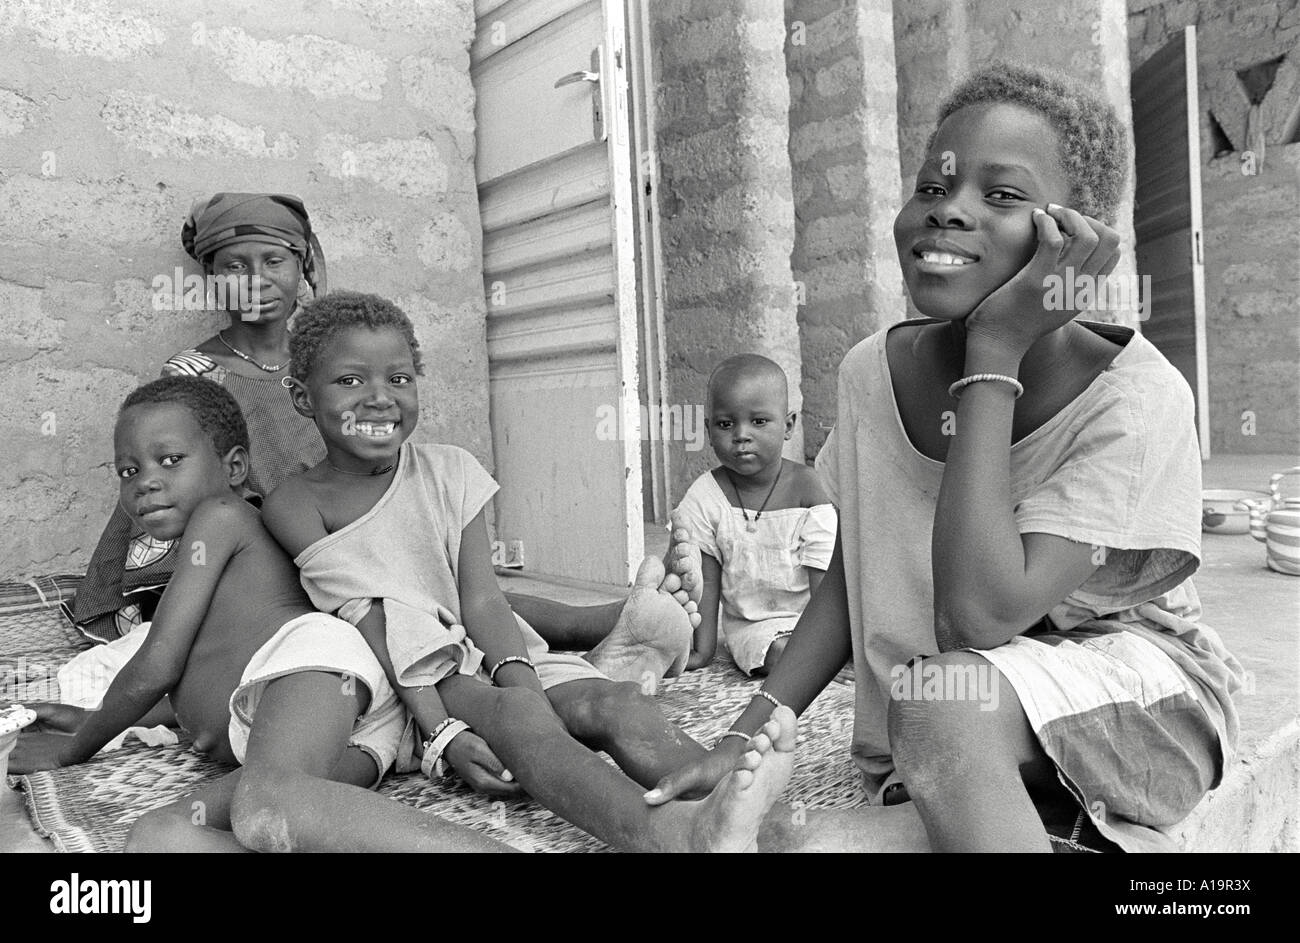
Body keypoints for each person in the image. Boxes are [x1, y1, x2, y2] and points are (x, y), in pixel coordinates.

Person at [647, 62, 1244, 853]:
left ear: (1077, 243)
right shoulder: (870, 372)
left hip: (1137, 709)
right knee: (831, 824)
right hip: (950, 723)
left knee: (936, 700)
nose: (949, 213)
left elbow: (979, 612)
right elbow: (852, 577)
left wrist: (994, 353)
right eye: (933, 188)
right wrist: (746, 730)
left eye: (1001, 196)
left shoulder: (1133, 401)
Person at [261, 291, 796, 851]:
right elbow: (372, 617)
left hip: (491, 647)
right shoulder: (295, 504)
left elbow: (485, 600)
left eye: (399, 379)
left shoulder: (451, 471)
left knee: (616, 703)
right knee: (521, 716)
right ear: (302, 396)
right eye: (349, 381)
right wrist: (445, 730)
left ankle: (753, 818)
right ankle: (663, 833)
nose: (378, 399)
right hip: (415, 676)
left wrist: (521, 676)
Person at [11, 376, 506, 851]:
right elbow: (201, 675)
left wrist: (73, 751)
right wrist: (97, 719)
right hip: (343, 734)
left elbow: (156, 666)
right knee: (161, 836)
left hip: (315, 671)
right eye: (129, 471)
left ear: (234, 468)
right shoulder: (201, 555)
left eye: (170, 460)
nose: (146, 483)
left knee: (267, 802)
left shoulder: (220, 517)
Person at [71, 193, 328, 644]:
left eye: (273, 261)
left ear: (300, 268)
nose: (256, 281)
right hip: (244, 555)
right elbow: (178, 486)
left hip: (330, 543)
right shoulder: (194, 372)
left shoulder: (329, 363)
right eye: (234, 266)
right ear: (210, 277)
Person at [667, 354, 835, 675]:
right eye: (725, 424)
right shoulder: (706, 497)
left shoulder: (810, 490)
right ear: (708, 429)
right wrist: (703, 650)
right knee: (783, 656)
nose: (741, 435)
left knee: (865, 641)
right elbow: (703, 578)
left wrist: (828, 643)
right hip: (755, 626)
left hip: (816, 618)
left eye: (758, 421)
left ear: (788, 426)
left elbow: (824, 583)